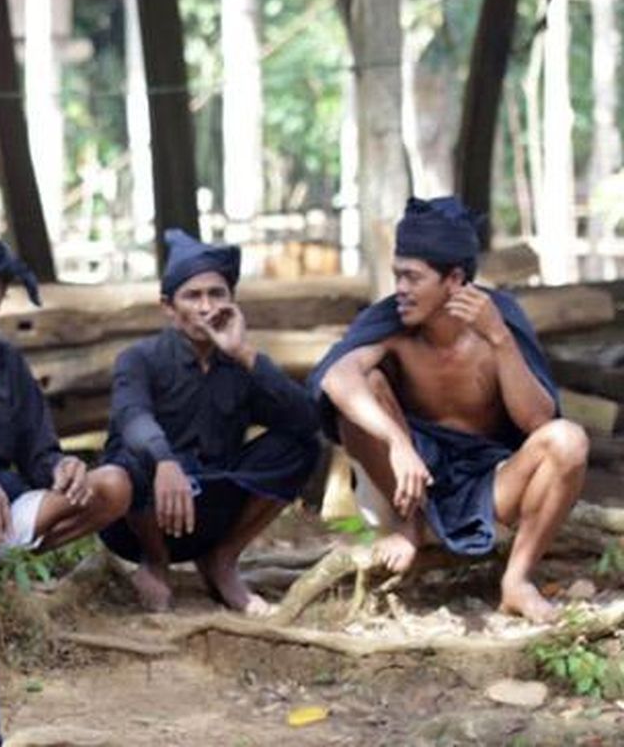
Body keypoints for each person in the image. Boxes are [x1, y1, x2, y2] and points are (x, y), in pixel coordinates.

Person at [310, 196, 587, 624]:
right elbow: (336, 378)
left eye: (412, 277)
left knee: (569, 440)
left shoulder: (501, 320)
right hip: (403, 486)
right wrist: (398, 443)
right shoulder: (391, 321)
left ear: (454, 279)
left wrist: (500, 339)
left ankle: (517, 580)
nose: (399, 287)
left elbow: (538, 423)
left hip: (489, 488)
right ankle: (410, 529)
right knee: (367, 387)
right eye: (397, 274)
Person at [97, 230, 321, 613]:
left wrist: (243, 352)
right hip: (141, 516)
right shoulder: (140, 358)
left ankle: (222, 559)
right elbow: (131, 416)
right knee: (130, 457)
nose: (205, 307)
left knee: (302, 446)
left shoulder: (240, 363)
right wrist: (165, 462)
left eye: (217, 294)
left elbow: (306, 419)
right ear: (168, 307)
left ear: (231, 303)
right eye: (192, 296)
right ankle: (157, 563)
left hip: (212, 505)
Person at [0, 224, 132, 556]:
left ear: (3, 296)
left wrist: (62, 467)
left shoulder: (8, 363)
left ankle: (5, 560)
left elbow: (37, 453)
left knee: (112, 485)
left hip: (8, 504)